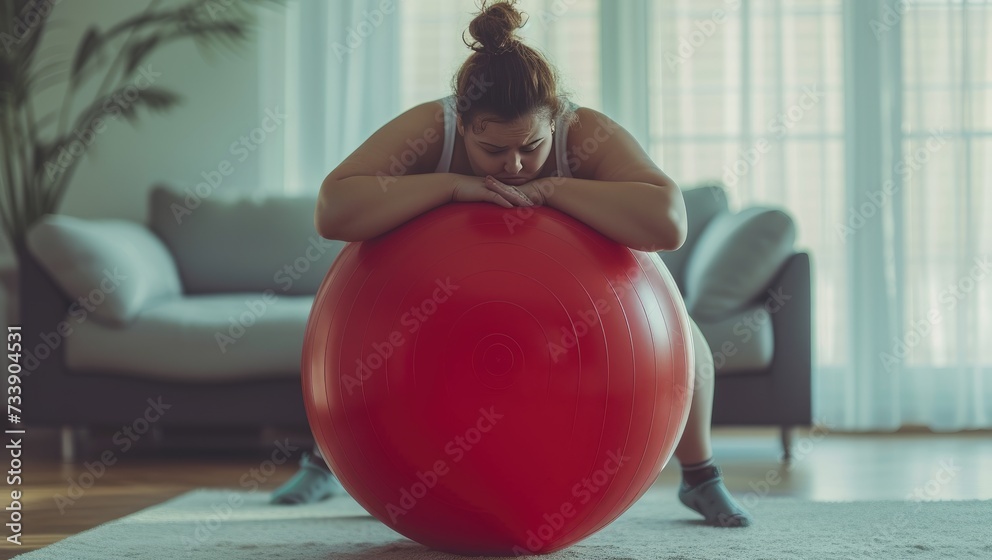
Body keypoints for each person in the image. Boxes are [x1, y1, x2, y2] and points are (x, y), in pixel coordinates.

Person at [272, 0, 752, 528]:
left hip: (570, 310)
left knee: (687, 338)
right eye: (492, 150)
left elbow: (668, 222)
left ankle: (701, 477)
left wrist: (557, 189)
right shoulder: (434, 128)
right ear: (464, 121)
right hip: (434, 299)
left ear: (556, 119)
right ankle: (334, 463)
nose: (515, 164)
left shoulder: (582, 132)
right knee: (369, 343)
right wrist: (455, 185)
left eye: (531, 146)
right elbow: (334, 207)